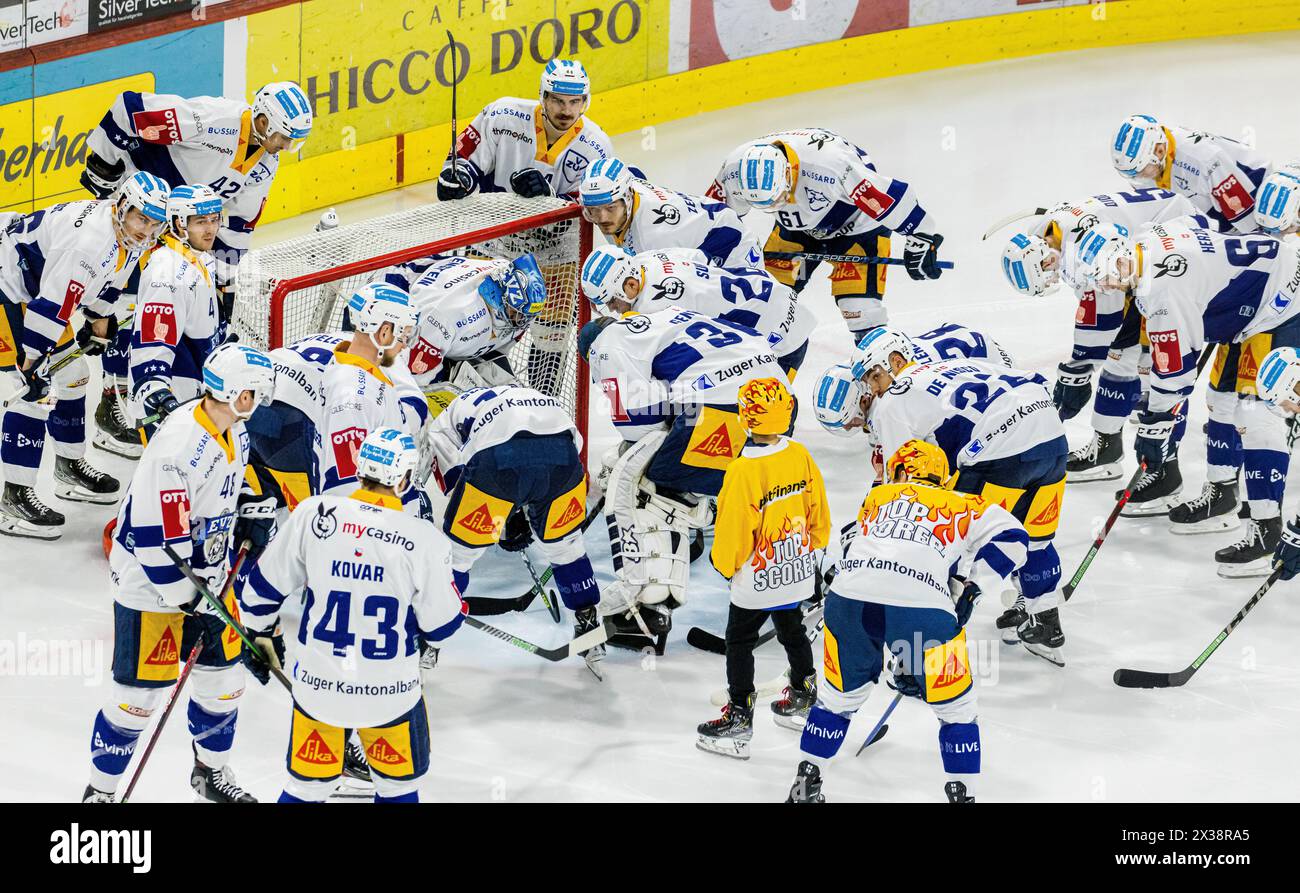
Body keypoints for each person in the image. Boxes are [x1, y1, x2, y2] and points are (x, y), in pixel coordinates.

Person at [83, 343, 276, 803]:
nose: (259, 401)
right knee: (136, 701)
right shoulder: (178, 449)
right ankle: (101, 793)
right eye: (254, 392)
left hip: (207, 578)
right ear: (238, 395)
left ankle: (210, 774)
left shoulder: (231, 427)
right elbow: (156, 545)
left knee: (224, 685)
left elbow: (237, 477)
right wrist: (194, 604)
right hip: (153, 586)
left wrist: (252, 507)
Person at [785, 440, 1028, 803]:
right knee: (956, 710)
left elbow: (852, 546)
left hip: (849, 601)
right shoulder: (963, 502)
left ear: (899, 472)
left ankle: (806, 784)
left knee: (836, 701)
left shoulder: (877, 499)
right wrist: (973, 589)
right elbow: (1015, 540)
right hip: (922, 608)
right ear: (942, 478)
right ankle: (963, 794)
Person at [813, 328, 1068, 665]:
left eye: (874, 378)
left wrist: (864, 539)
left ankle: (924, 646)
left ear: (894, 361)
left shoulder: (890, 404)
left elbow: (903, 491)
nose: (872, 389)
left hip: (1000, 454)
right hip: (1051, 435)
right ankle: (1046, 623)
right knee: (1036, 539)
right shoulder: (938, 367)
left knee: (946, 539)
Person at [240, 427, 466, 803]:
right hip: (389, 694)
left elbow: (258, 594)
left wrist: (262, 634)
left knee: (305, 789)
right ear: (406, 478)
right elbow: (440, 628)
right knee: (397, 789)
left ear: (360, 471)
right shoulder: (425, 540)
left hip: (319, 688)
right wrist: (453, 605)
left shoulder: (314, 513)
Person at [83, 82, 313, 439]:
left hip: (178, 224)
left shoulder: (266, 164)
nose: (285, 146)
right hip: (141, 204)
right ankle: (112, 401)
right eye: (284, 136)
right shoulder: (214, 120)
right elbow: (128, 109)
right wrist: (103, 159)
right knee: (126, 302)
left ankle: (122, 399)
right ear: (264, 122)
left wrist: (226, 279)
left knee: (147, 307)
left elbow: (238, 222)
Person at [1071, 219, 1299, 576]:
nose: (1105, 286)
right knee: (1221, 399)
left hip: (1283, 303)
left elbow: (1175, 375)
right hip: (1252, 301)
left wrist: (1153, 430)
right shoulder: (1144, 240)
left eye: (1105, 276)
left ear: (1120, 261)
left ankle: (1267, 531)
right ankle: (1222, 496)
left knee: (1257, 414)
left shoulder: (1162, 291)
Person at [578, 310, 786, 648]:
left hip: (721, 411)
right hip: (777, 404)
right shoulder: (667, 319)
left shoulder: (605, 345)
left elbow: (638, 425)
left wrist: (621, 457)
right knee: (756, 493)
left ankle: (649, 607)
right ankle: (797, 577)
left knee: (650, 486)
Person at [0, 172, 169, 537]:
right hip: (7, 284)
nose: (147, 230)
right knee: (37, 390)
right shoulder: (89, 243)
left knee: (74, 374)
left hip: (32, 287)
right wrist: (32, 364)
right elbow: (50, 308)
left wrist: (98, 322)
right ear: (123, 207)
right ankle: (11, 500)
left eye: (155, 223)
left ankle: (69, 468)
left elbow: (107, 286)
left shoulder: (126, 235)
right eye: (142, 218)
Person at [998, 187, 1198, 483]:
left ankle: (1160, 462)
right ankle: (1111, 444)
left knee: (1141, 353)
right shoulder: (1045, 234)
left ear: (1044, 258)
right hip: (1145, 242)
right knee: (1124, 350)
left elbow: (1105, 312)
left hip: (1175, 242)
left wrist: (1078, 368)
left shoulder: (1080, 247)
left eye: (1049, 272)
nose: (1054, 276)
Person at [425, 384, 602, 670]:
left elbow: (460, 483)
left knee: (458, 555)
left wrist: (502, 516)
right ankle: (589, 627)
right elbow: (571, 447)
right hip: (563, 456)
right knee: (566, 548)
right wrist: (525, 507)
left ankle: (428, 642)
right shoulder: (539, 396)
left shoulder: (446, 418)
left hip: (497, 461)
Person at [707, 128, 945, 341]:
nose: (776, 205)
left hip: (858, 229)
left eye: (779, 196)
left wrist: (921, 238)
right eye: (767, 205)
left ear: (789, 172)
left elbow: (889, 197)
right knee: (763, 295)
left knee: (861, 312)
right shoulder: (734, 171)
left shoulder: (830, 165)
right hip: (794, 229)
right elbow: (711, 218)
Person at [697, 377, 829, 759]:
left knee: (739, 640)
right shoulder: (799, 453)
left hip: (759, 577)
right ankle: (804, 695)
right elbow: (817, 505)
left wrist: (724, 565)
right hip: (798, 567)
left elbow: (735, 528)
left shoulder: (742, 470)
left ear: (744, 417)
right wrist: (812, 544)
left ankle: (739, 714)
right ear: (786, 413)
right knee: (792, 630)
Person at [580, 244, 814, 375]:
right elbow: (703, 257)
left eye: (611, 301)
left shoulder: (652, 308)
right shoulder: (648, 259)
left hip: (783, 338)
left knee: (760, 417)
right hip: (775, 295)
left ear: (630, 286)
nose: (613, 309)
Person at [119, 184, 227, 450]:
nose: (210, 229)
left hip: (195, 391)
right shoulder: (167, 274)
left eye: (214, 220)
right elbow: (153, 344)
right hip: (172, 400)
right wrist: (155, 390)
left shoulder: (197, 256)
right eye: (201, 221)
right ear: (179, 223)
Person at [437, 60, 613, 202]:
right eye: (558, 101)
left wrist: (549, 197)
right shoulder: (503, 114)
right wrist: (459, 178)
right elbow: (464, 160)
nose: (566, 111)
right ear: (543, 97)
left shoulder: (596, 147)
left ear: (585, 102)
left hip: (551, 245)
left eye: (574, 102)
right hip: (489, 236)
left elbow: (589, 208)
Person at [378, 253, 549, 396]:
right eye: (516, 314)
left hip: (436, 316)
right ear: (499, 295)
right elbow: (415, 382)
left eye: (526, 317)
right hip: (391, 300)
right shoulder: (447, 316)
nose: (521, 322)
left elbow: (494, 351)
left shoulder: (517, 301)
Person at [315, 284, 423, 497]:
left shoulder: (364, 373)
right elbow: (346, 485)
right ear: (384, 333)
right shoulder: (353, 396)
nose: (405, 346)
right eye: (404, 337)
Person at [577, 159, 763, 270]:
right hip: (711, 223)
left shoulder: (651, 239)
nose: (602, 218)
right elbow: (633, 171)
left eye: (610, 208)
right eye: (593, 210)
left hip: (734, 252)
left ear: (627, 197)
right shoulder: (626, 184)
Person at [1109, 114, 1272, 234]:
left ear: (1159, 151)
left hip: (1257, 196)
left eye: (1141, 171)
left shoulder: (1202, 160)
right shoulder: (1150, 162)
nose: (1139, 179)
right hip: (1219, 202)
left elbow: (1247, 218)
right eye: (1133, 175)